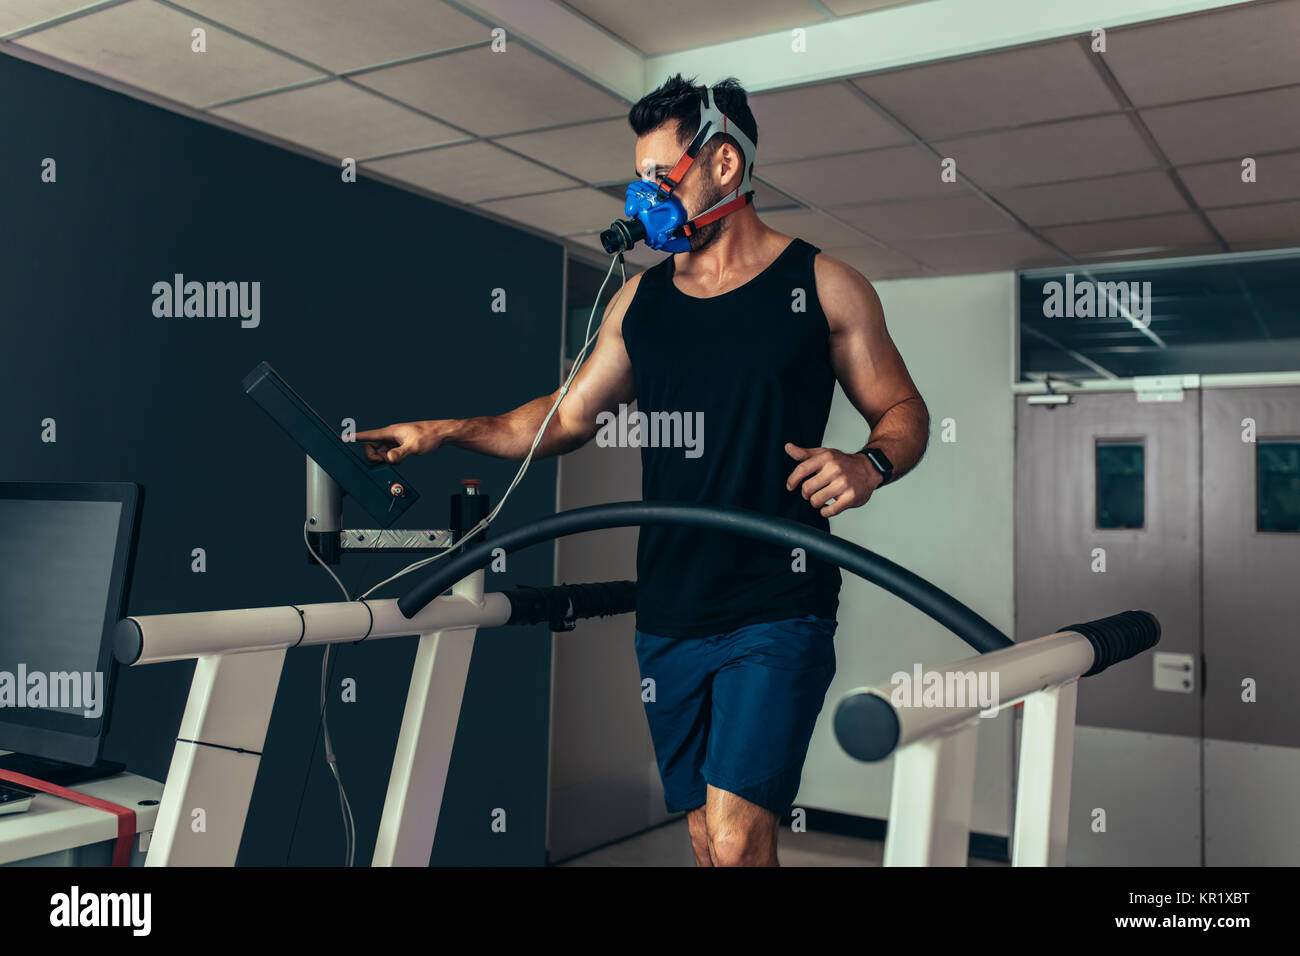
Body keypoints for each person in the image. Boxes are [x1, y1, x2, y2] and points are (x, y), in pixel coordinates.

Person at [357, 74, 930, 867]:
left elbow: (904, 412)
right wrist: (445, 430)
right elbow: (562, 417)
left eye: (660, 177)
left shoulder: (823, 286)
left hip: (777, 600)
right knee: (702, 835)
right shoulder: (640, 304)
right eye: (639, 180)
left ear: (723, 164)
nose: (642, 196)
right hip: (669, 606)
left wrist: (869, 464)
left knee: (734, 841)